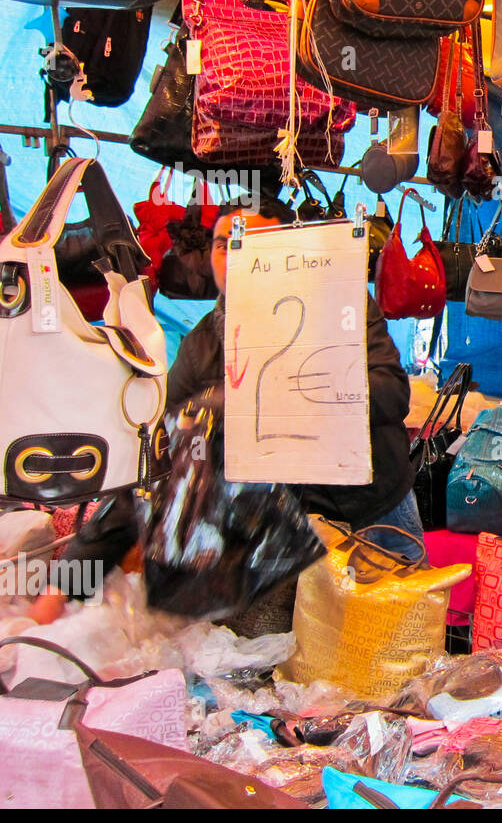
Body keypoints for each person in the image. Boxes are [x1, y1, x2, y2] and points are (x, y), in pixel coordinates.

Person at [166, 209, 423, 561]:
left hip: (372, 511)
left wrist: (295, 391)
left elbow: (393, 393)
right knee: (292, 618)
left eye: (249, 244)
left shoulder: (346, 305)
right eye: (224, 245)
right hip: (272, 529)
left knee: (401, 614)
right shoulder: (199, 346)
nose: (235, 256)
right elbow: (175, 434)